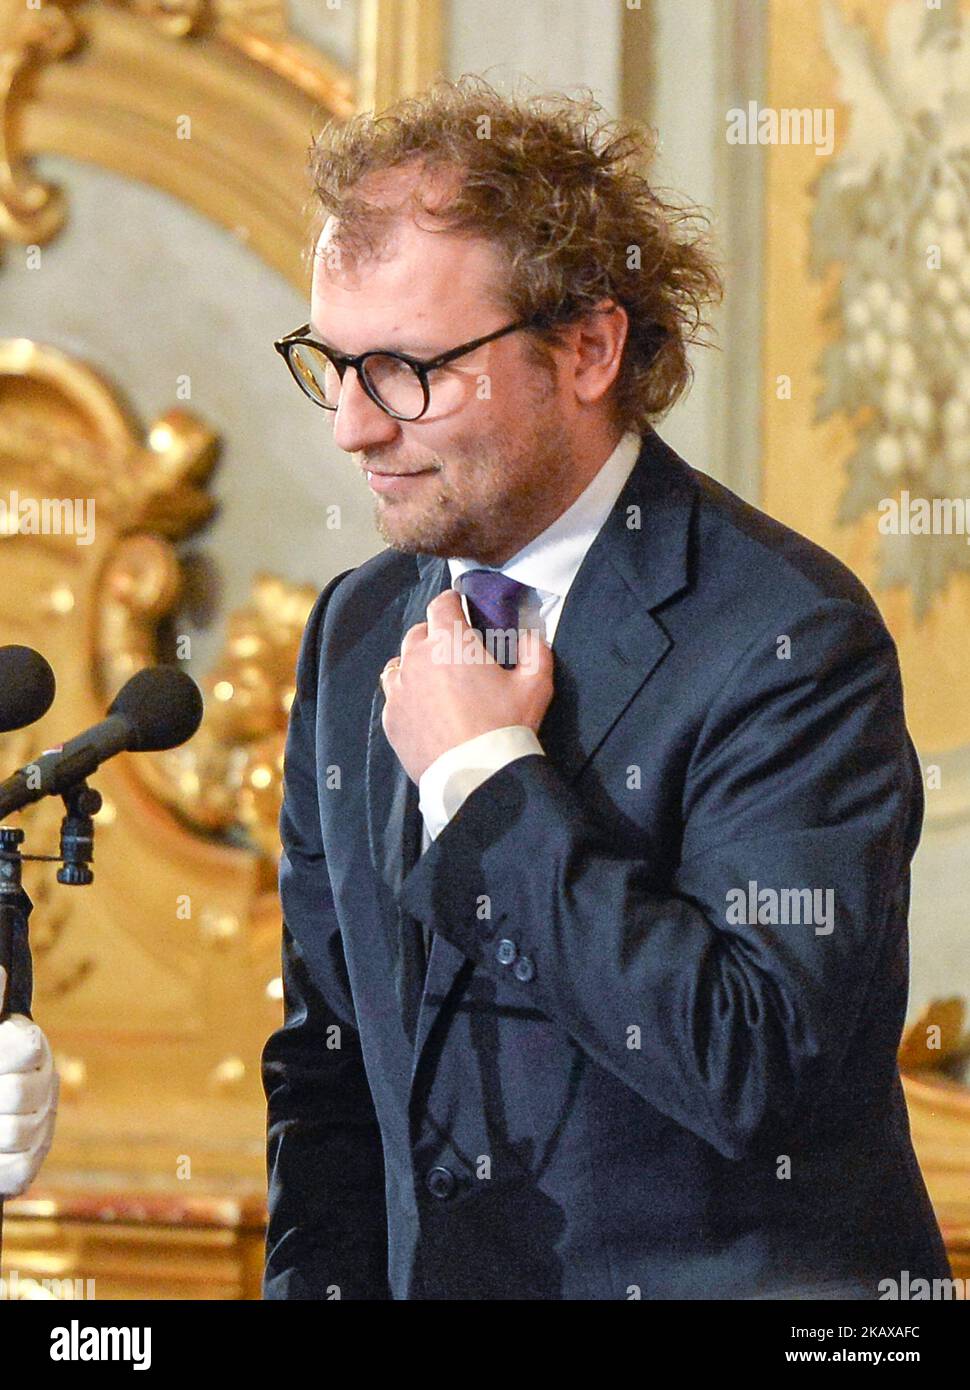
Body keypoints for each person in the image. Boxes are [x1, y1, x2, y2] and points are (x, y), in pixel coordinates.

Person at [262, 76, 951, 1300]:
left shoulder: (791, 637)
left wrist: (485, 782)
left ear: (586, 347)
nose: (353, 431)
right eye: (333, 363)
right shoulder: (354, 625)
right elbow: (327, 1072)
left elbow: (751, 1067)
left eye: (406, 370)